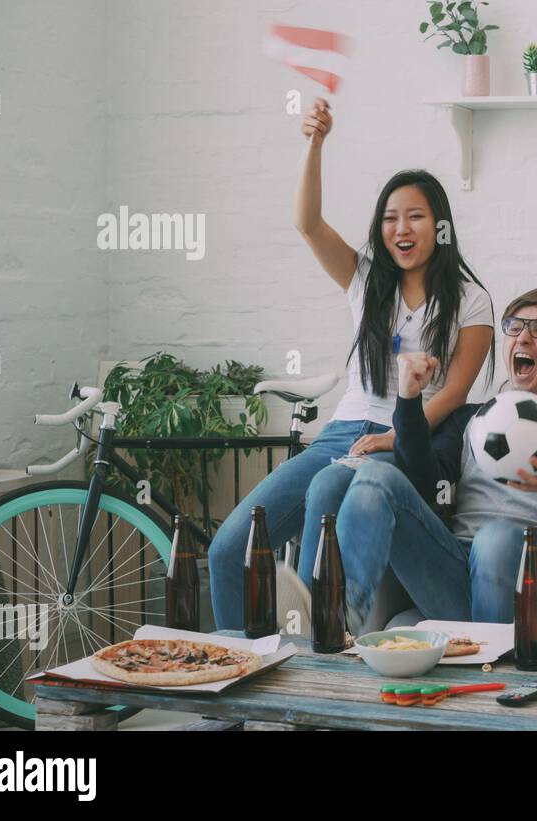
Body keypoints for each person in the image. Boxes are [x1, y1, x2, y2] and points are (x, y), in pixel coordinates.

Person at [208, 98, 494, 630]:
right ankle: (234, 697)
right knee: (231, 549)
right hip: (340, 435)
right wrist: (314, 143)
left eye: (415, 216)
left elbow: (453, 393)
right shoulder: (365, 281)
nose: (400, 228)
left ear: (440, 226)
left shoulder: (471, 301)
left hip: (406, 442)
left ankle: (324, 634)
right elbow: (308, 222)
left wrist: (392, 435)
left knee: (327, 491)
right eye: (389, 218)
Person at [328, 288, 537, 628]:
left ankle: (494, 662)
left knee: (497, 537)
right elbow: (424, 481)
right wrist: (409, 401)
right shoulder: (469, 418)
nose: (524, 337)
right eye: (514, 327)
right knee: (376, 476)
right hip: (453, 569)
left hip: (530, 577)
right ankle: (341, 616)